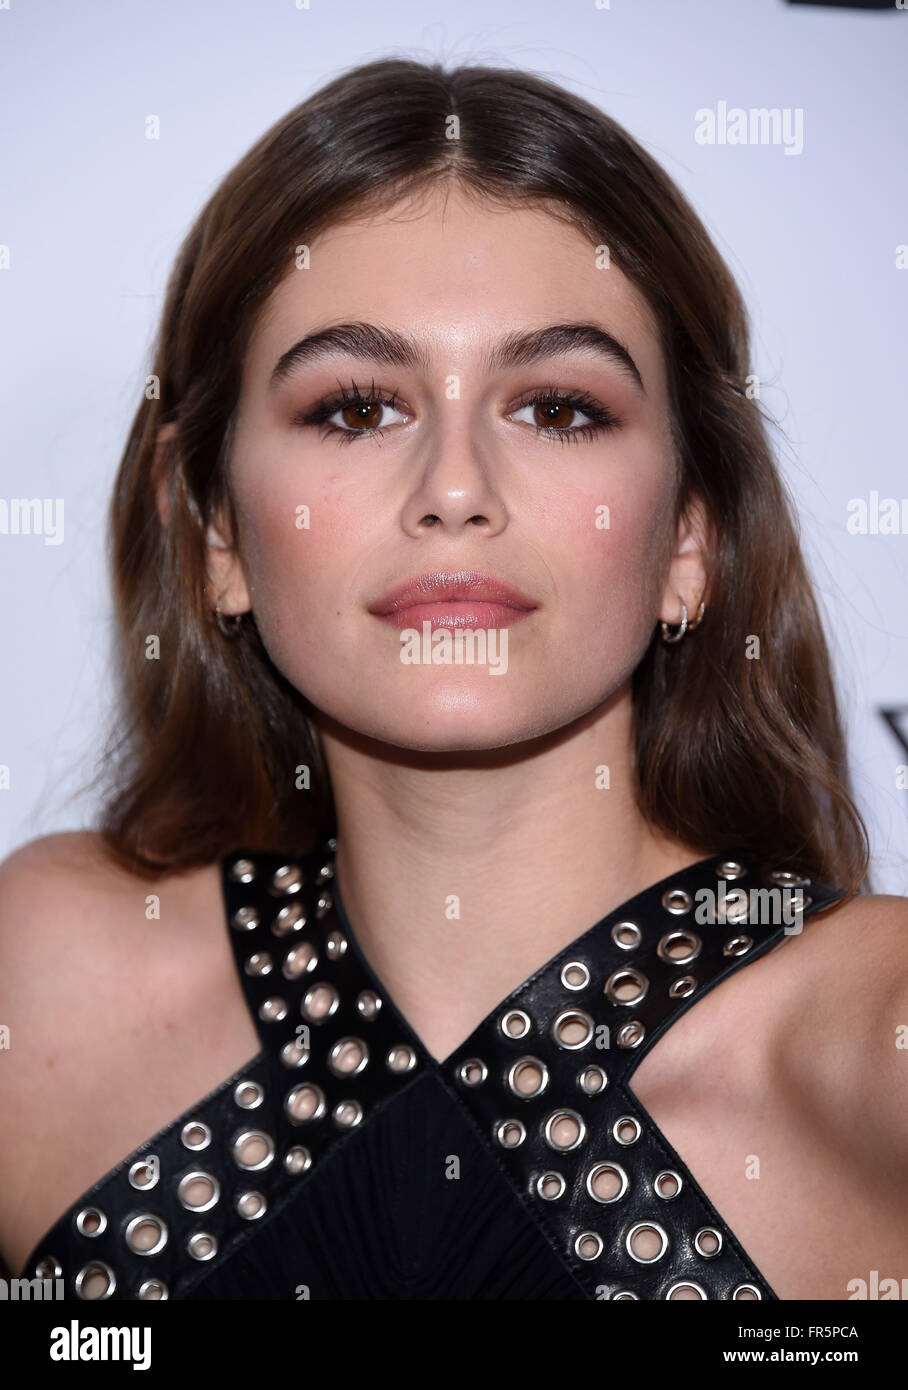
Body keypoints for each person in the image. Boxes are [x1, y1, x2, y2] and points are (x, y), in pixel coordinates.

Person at [0, 57, 905, 1303]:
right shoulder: (49, 985)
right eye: (358, 408)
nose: (455, 487)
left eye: (560, 409)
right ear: (211, 528)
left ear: (689, 535)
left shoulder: (873, 1043)